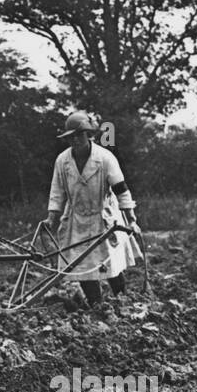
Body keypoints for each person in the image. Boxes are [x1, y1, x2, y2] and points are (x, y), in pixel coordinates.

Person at [46, 111, 140, 309]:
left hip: (103, 216)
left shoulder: (105, 158)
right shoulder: (62, 161)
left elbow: (121, 189)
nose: (76, 140)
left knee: (110, 262)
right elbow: (57, 192)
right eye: (71, 137)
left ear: (88, 135)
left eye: (79, 135)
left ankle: (122, 300)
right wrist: (51, 218)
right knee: (82, 265)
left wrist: (131, 219)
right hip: (76, 217)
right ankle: (97, 305)